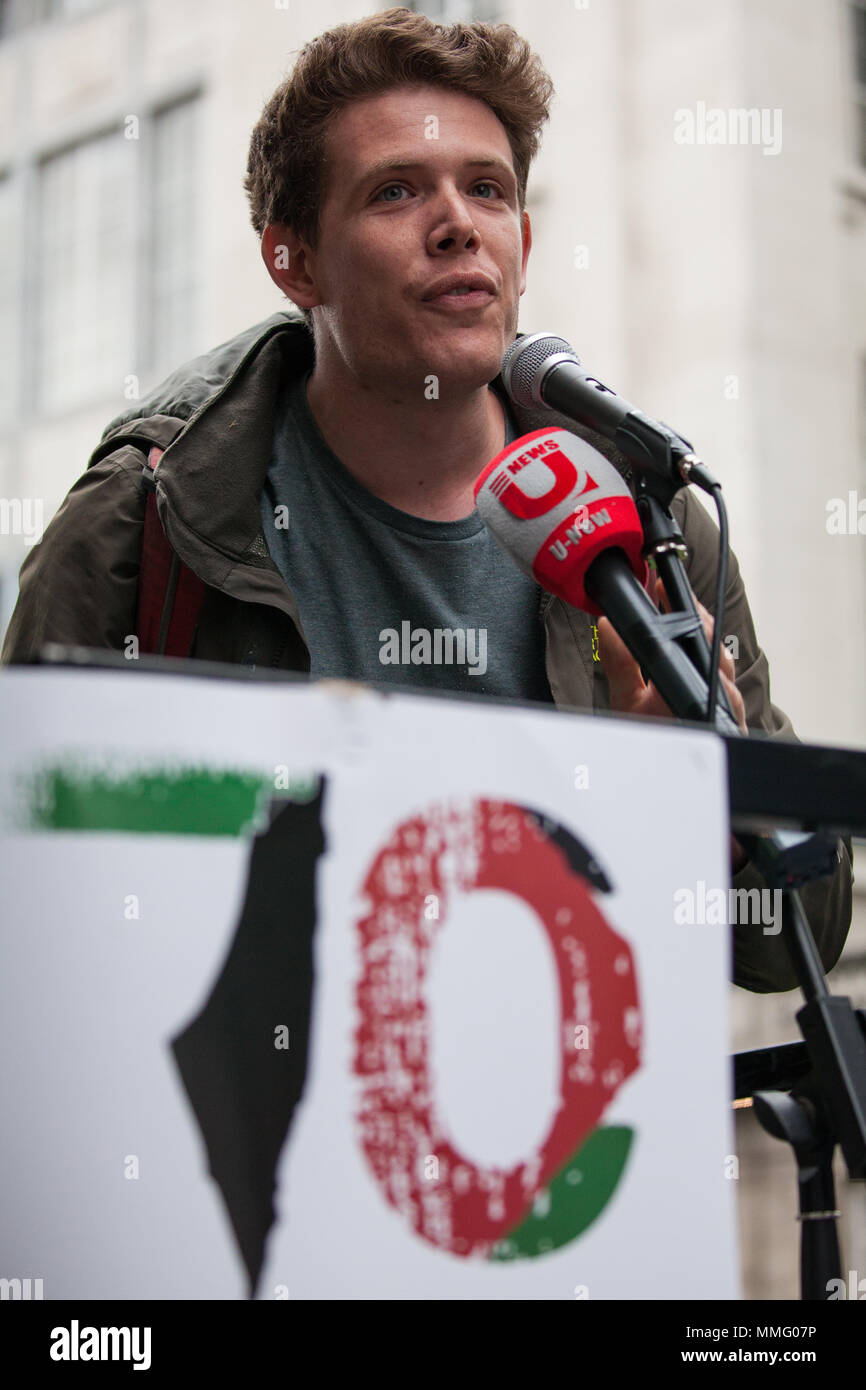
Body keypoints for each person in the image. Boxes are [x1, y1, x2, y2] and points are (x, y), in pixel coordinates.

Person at [0, 7, 852, 991]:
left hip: (568, 1123)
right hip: (253, 1125)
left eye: (485, 189)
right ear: (294, 259)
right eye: (395, 190)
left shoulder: (647, 521)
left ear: (521, 244)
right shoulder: (147, 514)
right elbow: (36, 907)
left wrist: (695, 797)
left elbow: (796, 931)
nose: (456, 224)